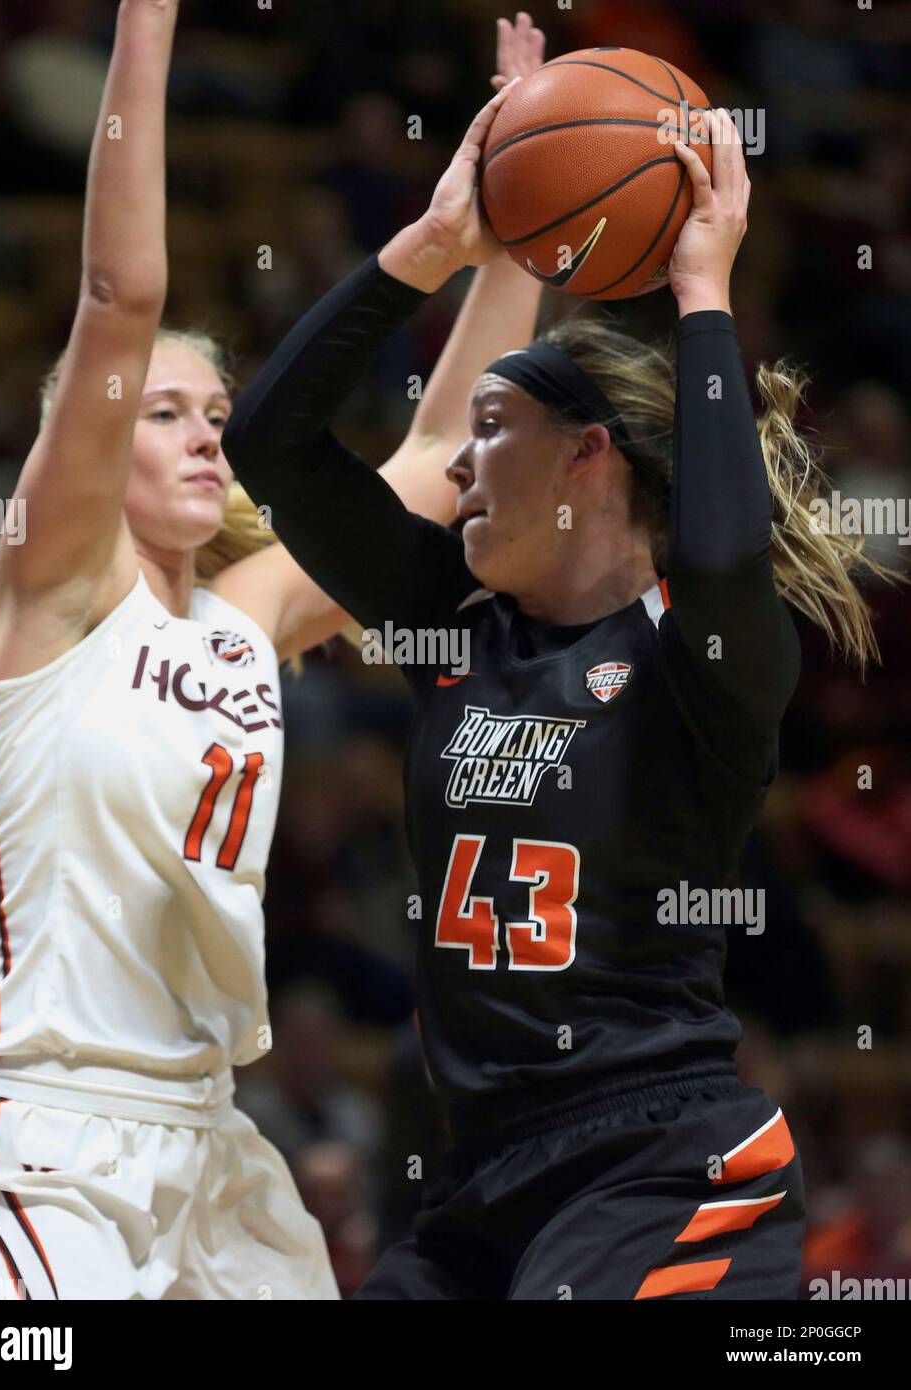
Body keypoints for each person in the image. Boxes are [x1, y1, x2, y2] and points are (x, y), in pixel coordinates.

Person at [0, 2, 542, 1300]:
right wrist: (144, 28)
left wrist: (517, 222)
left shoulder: (246, 621)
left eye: (217, 410)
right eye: (166, 412)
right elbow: (119, 291)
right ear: (88, 448)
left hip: (209, 1145)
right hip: (50, 1133)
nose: (210, 434)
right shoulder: (45, 609)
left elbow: (435, 459)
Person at [220, 92, 886, 1299]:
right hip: (478, 1184)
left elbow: (731, 553)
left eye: (489, 426)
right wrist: (430, 247)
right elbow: (270, 445)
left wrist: (702, 294)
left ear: (590, 455)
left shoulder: (701, 653)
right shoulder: (454, 627)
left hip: (658, 1165)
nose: (457, 464)